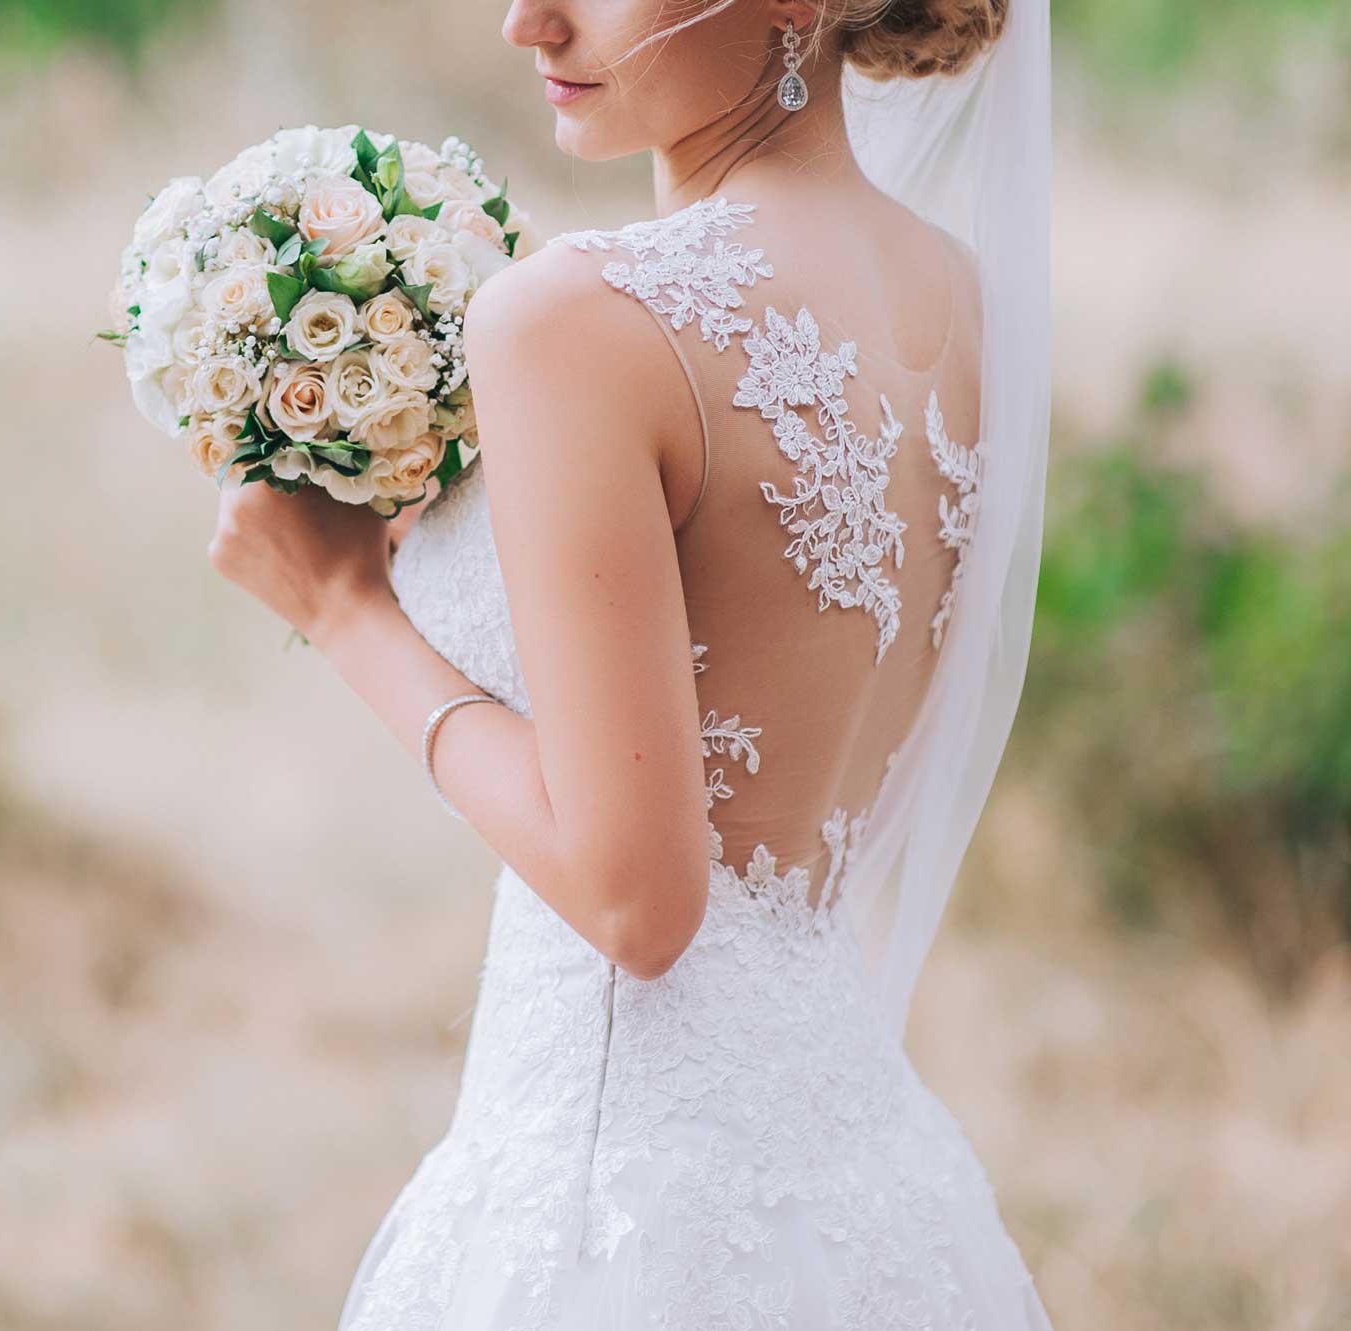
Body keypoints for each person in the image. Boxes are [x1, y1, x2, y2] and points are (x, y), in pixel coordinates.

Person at [205, 0, 1055, 1325]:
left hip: (621, 1209)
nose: (522, 21)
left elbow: (636, 903)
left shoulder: (575, 322)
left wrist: (345, 609)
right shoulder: (961, 297)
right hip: (858, 1175)